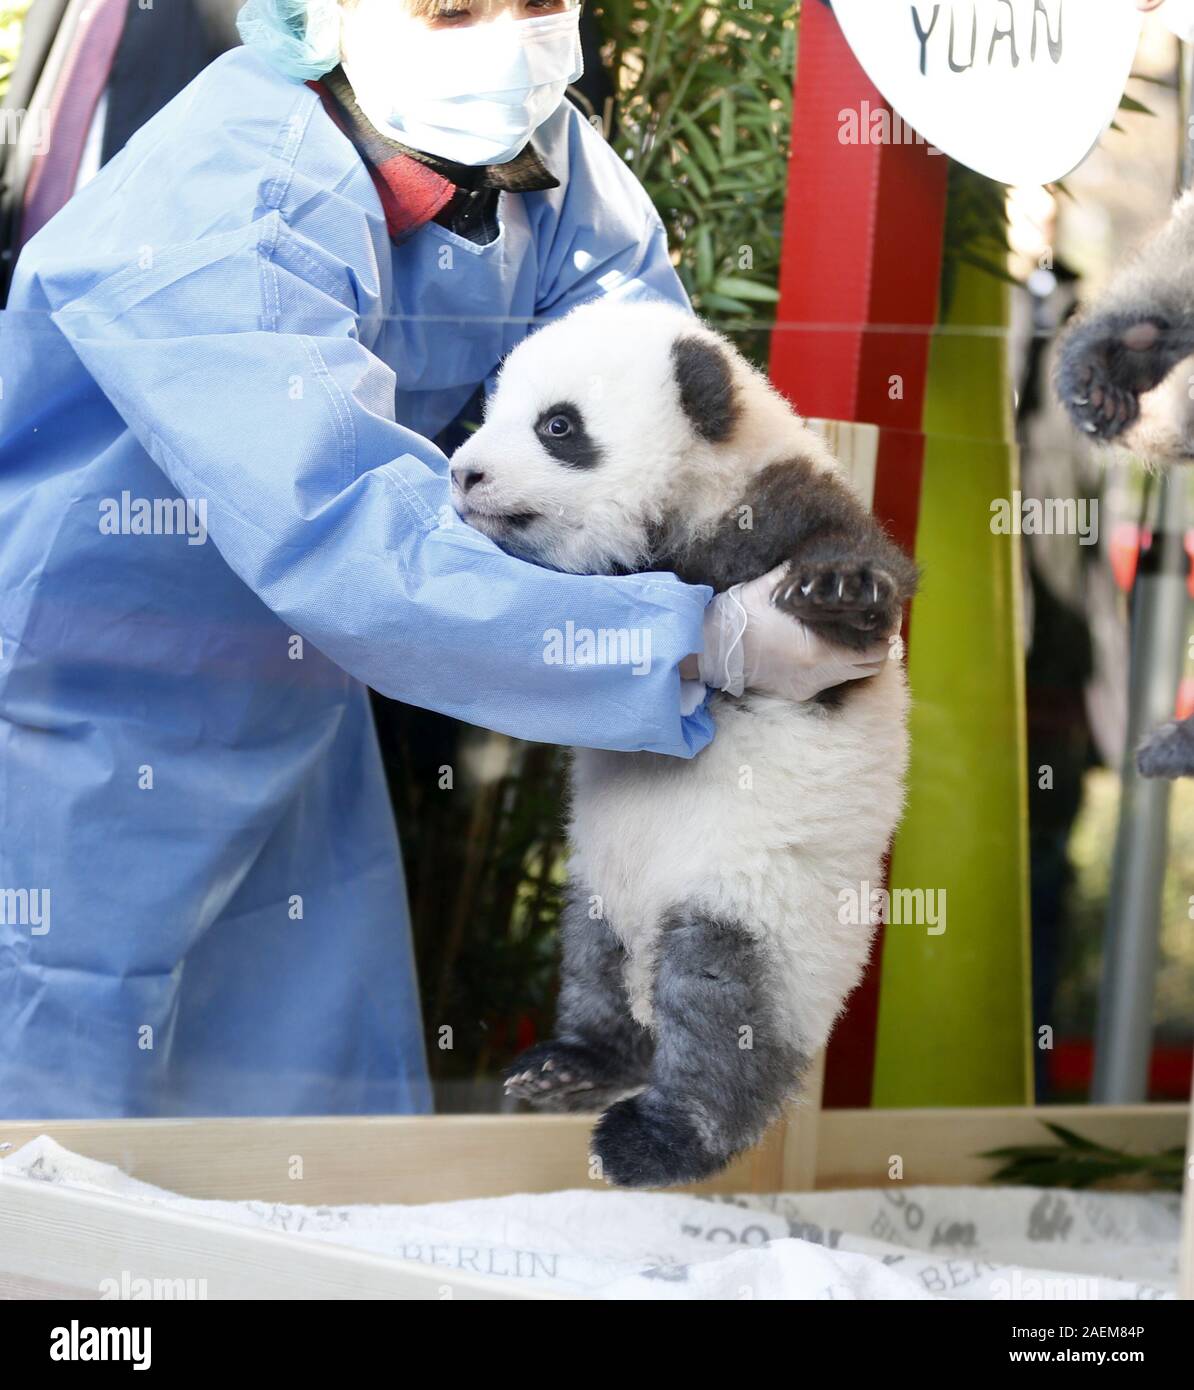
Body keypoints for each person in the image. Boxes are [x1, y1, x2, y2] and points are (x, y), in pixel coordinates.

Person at [0, 0, 885, 1120]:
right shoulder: (232, 197)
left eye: (540, 3)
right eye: (455, 8)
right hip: (74, 713)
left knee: (320, 1143)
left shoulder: (545, 169)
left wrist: (772, 559)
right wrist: (699, 641)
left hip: (296, 714)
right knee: (56, 1145)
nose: (510, 41)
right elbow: (346, 530)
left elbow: (651, 399)